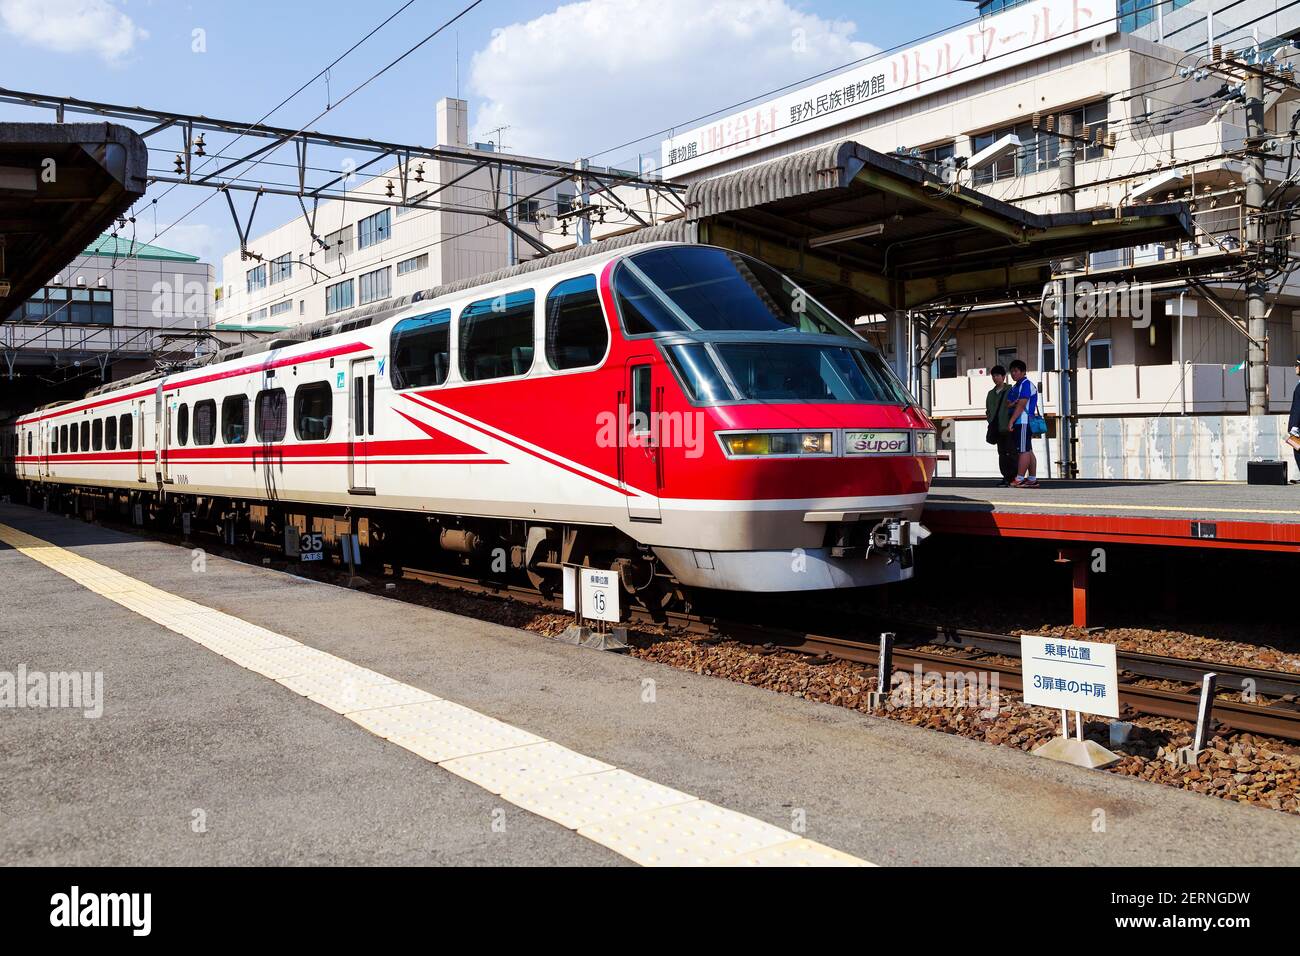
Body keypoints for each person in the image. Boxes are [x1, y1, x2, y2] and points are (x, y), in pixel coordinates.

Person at [1006, 359, 1039, 488]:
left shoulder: (1025, 384)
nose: (1013, 374)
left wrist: (1011, 421)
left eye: (1016, 371)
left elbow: (1021, 405)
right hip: (1022, 421)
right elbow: (1008, 403)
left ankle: (1019, 478)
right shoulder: (1016, 386)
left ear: (1023, 372)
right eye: (1012, 371)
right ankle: (1031, 479)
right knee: (1028, 450)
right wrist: (1013, 403)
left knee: (1023, 451)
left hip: (1023, 421)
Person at [985, 365, 1016, 486]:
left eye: (998, 375)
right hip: (997, 428)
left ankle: (1013, 477)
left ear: (1003, 377)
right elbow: (988, 410)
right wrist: (990, 420)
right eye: (993, 376)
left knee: (1011, 453)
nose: (995, 378)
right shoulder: (990, 393)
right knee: (1002, 454)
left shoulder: (1010, 390)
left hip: (1008, 427)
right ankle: (1006, 477)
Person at [1289, 355, 1300, 478]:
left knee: (1298, 452)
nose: (1295, 367)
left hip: (1298, 428)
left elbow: (1298, 407)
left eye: (1297, 365)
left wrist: (1295, 426)